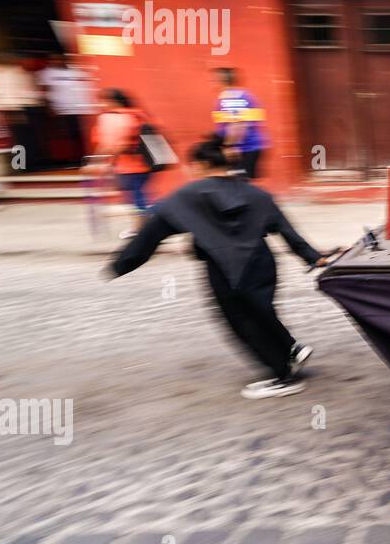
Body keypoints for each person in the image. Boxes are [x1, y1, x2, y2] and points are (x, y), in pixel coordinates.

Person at [109, 135, 331, 399]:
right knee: (260, 310)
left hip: (224, 267)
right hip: (261, 261)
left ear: (201, 165)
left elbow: (151, 232)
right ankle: (291, 349)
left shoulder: (185, 197)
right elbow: (285, 229)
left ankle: (283, 376)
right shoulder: (256, 193)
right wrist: (312, 257)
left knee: (243, 321)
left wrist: (122, 264)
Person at [87, 88, 154, 234]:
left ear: (113, 102)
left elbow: (109, 145)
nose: (102, 105)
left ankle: (140, 229)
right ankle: (145, 226)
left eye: (103, 101)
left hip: (127, 167)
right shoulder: (138, 114)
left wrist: (100, 163)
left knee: (135, 199)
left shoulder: (112, 118)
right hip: (147, 163)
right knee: (141, 196)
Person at [213, 67, 271, 179]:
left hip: (242, 149)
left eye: (213, 80)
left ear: (221, 81)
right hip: (251, 147)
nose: (212, 83)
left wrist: (229, 146)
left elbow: (237, 125)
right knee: (242, 182)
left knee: (236, 183)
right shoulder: (244, 95)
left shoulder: (229, 98)